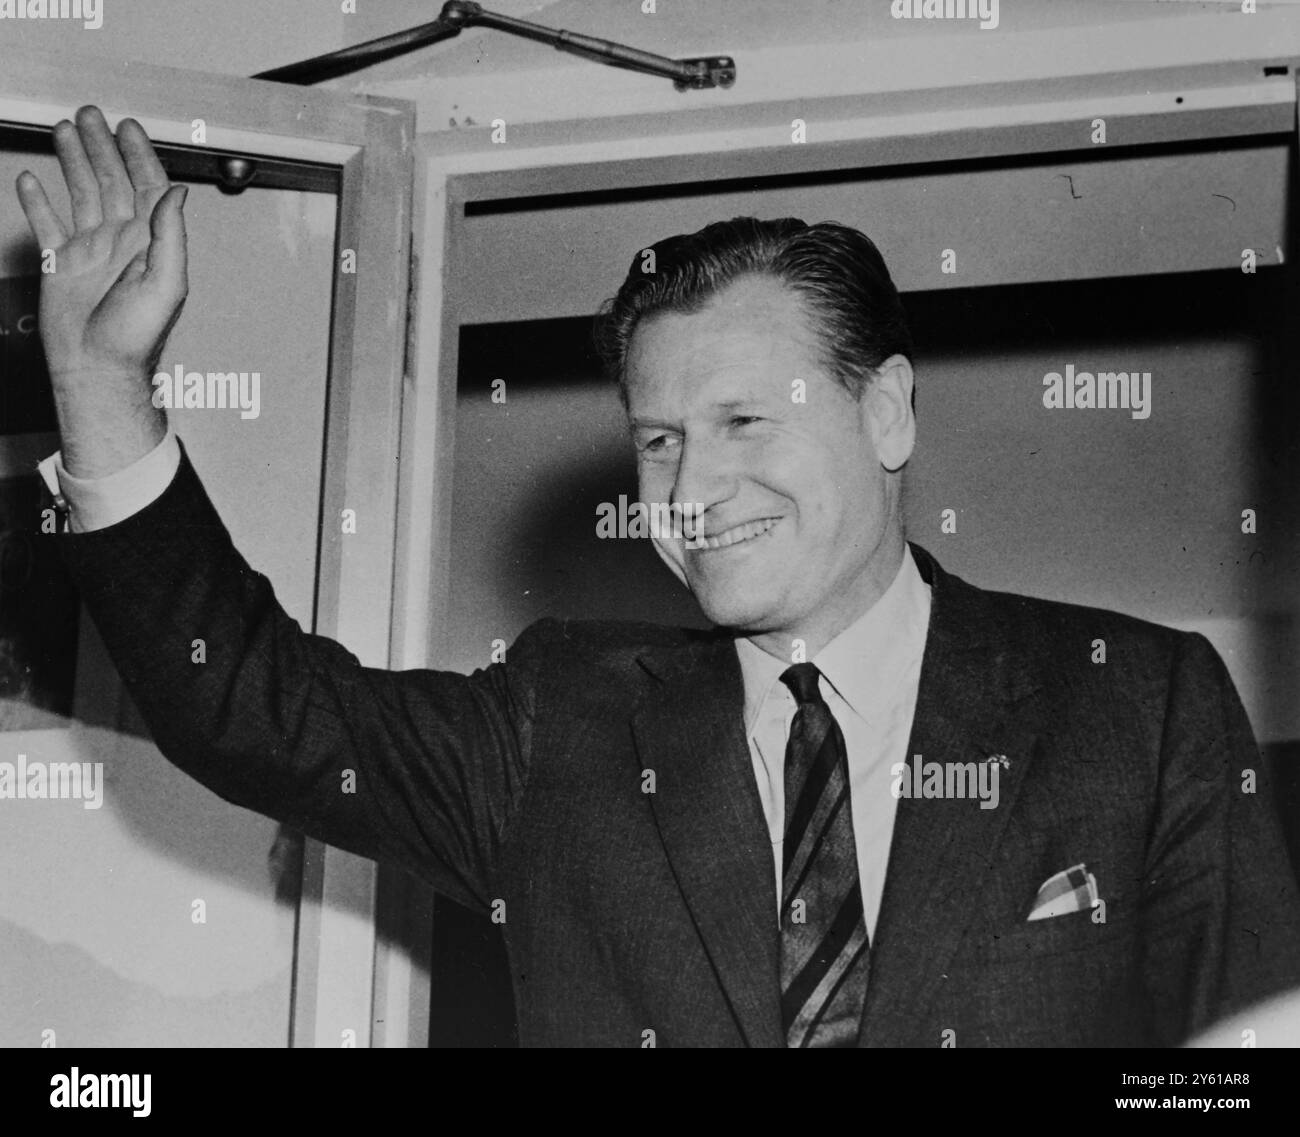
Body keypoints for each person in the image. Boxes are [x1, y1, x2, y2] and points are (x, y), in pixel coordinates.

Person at [16, 105, 1300, 1047]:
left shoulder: (1134, 703)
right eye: (661, 440)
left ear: (889, 414)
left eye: (748, 422)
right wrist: (100, 380)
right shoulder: (559, 723)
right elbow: (245, 705)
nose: (692, 491)